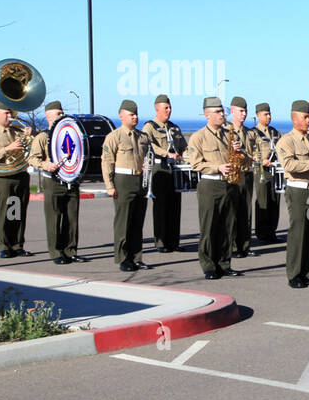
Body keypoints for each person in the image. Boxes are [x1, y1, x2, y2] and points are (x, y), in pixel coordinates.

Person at [184, 96, 243, 280]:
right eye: (217, 112)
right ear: (207, 115)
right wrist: (217, 167)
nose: (222, 114)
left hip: (229, 183)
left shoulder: (229, 134)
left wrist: (239, 152)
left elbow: (245, 159)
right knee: (209, 226)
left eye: (222, 111)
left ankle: (225, 263)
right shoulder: (198, 137)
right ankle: (209, 265)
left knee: (228, 226)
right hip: (210, 183)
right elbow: (195, 164)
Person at [275, 100, 309, 289]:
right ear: (294, 118)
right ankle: (294, 274)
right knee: (299, 232)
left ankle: (308, 271)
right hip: (299, 191)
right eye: (305, 117)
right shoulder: (286, 141)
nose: (308, 120)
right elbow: (289, 165)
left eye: (308, 117)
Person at [27, 100, 86, 264]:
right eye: (58, 113)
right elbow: (32, 159)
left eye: (62, 112)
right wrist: (47, 165)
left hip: (71, 181)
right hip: (53, 181)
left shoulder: (72, 133)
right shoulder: (43, 136)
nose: (62, 115)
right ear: (48, 117)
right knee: (54, 218)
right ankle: (56, 252)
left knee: (72, 218)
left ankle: (71, 250)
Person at [101, 99, 152, 271]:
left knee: (138, 221)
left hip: (140, 180)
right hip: (123, 180)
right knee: (123, 222)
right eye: (131, 114)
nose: (135, 117)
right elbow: (107, 162)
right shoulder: (114, 137)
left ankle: (136, 257)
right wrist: (109, 185)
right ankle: (123, 258)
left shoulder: (142, 136)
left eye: (136, 114)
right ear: (121, 116)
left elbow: (147, 157)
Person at [0, 103, 32, 258]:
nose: (10, 116)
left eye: (11, 113)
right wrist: (8, 149)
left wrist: (30, 135)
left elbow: (30, 148)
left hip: (21, 175)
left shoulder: (16, 131)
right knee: (6, 212)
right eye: (6, 113)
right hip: (4, 177)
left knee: (18, 212)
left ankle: (17, 245)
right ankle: (3, 245)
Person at [142, 94, 187, 252]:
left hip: (174, 170)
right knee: (161, 206)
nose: (169, 110)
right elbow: (149, 145)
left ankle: (174, 242)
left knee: (175, 206)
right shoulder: (150, 127)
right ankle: (161, 242)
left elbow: (183, 145)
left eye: (170, 107)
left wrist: (188, 156)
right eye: (165, 107)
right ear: (157, 109)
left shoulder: (174, 128)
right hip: (159, 169)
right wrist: (166, 154)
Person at [227, 97, 257, 257]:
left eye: (245, 111)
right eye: (240, 111)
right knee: (233, 211)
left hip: (247, 172)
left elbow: (254, 152)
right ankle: (232, 246)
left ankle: (244, 245)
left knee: (246, 211)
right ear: (232, 112)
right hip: (234, 174)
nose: (244, 114)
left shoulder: (248, 132)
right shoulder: (226, 131)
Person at [252, 102, 282, 243]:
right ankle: (262, 232)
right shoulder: (253, 133)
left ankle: (272, 231)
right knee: (263, 199)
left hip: (275, 169)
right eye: (265, 114)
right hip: (261, 170)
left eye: (269, 114)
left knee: (274, 200)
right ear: (258, 115)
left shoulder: (274, 132)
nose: (268, 117)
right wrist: (260, 159)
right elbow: (250, 151)